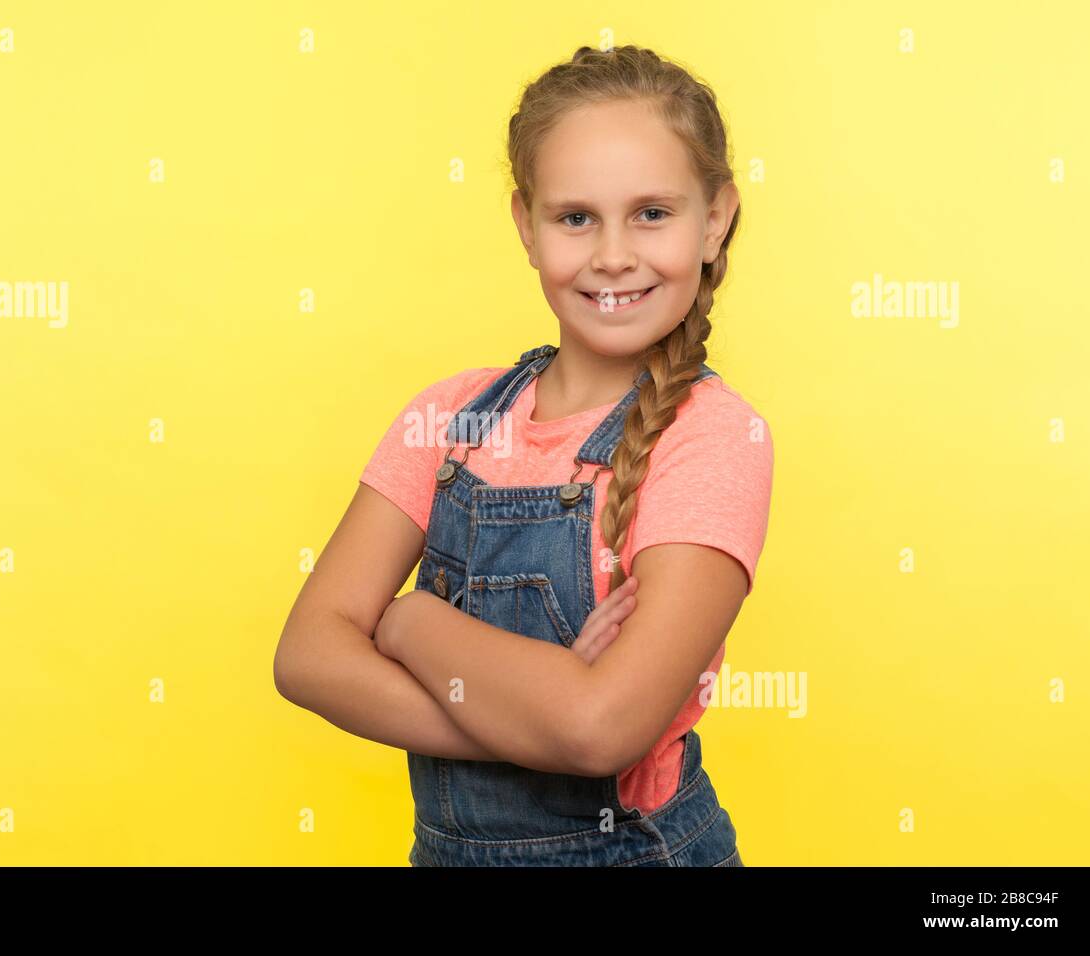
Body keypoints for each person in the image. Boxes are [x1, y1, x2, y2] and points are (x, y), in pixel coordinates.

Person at [274, 44, 773, 866]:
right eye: (576, 218)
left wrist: (410, 622)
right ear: (525, 226)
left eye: (652, 213)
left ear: (715, 219)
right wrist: (539, 717)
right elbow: (307, 657)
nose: (613, 255)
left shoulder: (712, 438)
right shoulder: (449, 418)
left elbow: (602, 728)